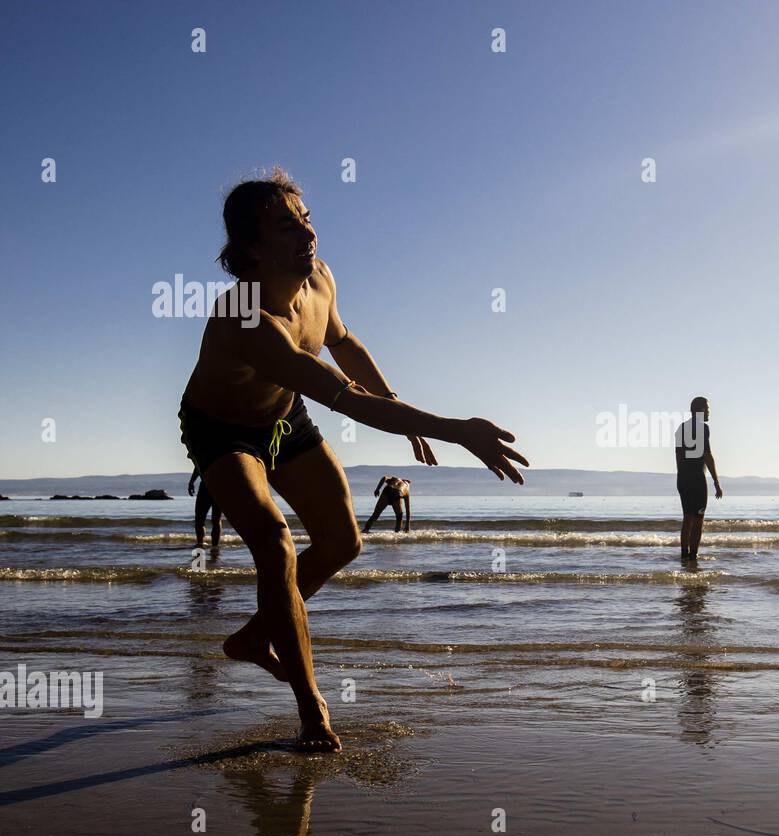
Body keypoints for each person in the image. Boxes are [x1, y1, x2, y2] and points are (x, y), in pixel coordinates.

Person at [178, 169, 527, 752]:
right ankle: (312, 708)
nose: (306, 233)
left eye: (306, 219)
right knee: (274, 541)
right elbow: (342, 397)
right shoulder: (244, 318)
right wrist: (455, 428)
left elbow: (343, 343)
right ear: (251, 248)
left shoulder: (319, 279)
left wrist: (395, 403)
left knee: (344, 541)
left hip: (284, 419)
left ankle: (252, 639)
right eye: (287, 227)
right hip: (224, 430)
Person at [674, 396, 722, 561]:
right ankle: (693, 557)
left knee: (687, 517)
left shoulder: (682, 428)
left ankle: (683, 556)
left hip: (683, 479)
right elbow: (707, 456)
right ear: (701, 410)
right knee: (698, 519)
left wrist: (681, 477)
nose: (709, 412)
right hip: (697, 480)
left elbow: (678, 456)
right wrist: (716, 482)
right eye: (707, 409)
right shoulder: (703, 428)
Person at [188, 465, 223, 550]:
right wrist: (191, 482)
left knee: (205, 519)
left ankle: (208, 545)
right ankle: (209, 545)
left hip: (211, 486)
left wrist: (191, 482)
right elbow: (198, 466)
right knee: (210, 519)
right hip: (215, 486)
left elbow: (198, 466)